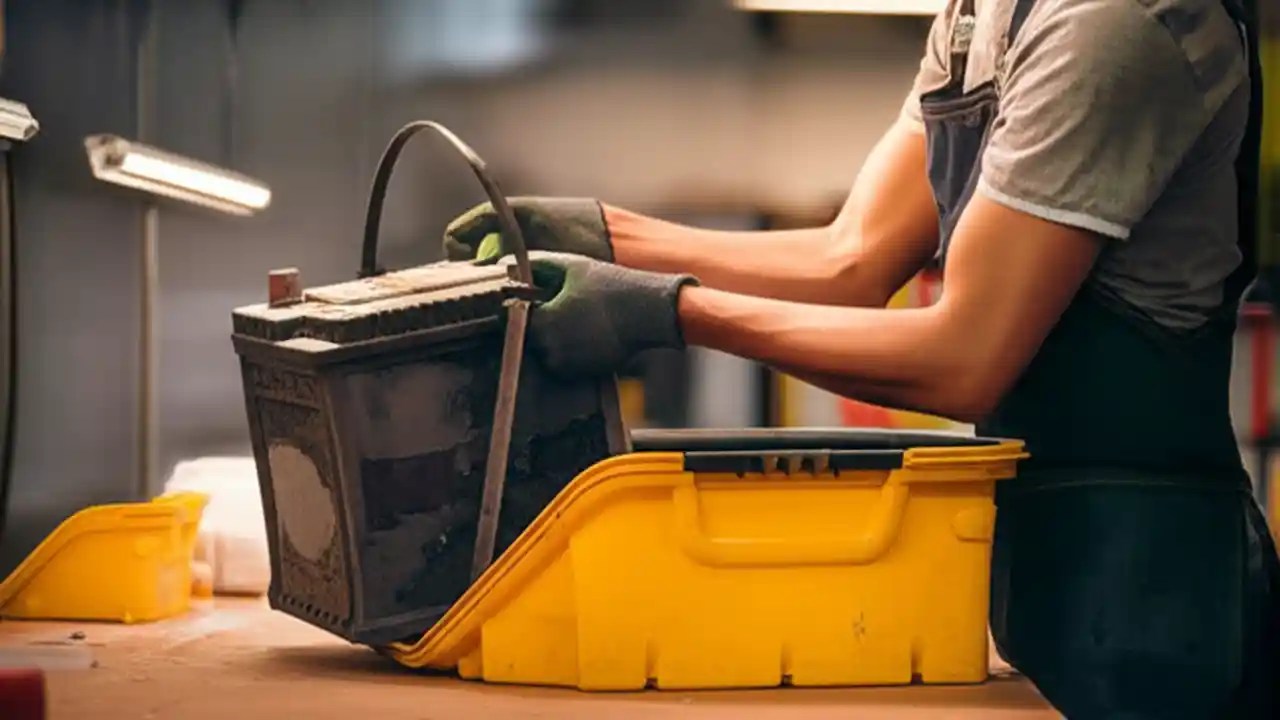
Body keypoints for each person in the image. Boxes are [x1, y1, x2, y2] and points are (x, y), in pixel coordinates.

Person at [444, 0, 1278, 716]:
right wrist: (602, 234)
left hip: (1158, 578)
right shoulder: (981, 16)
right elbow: (851, 260)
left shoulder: (1118, 24)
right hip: (1034, 551)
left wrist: (663, 310)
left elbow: (965, 356)